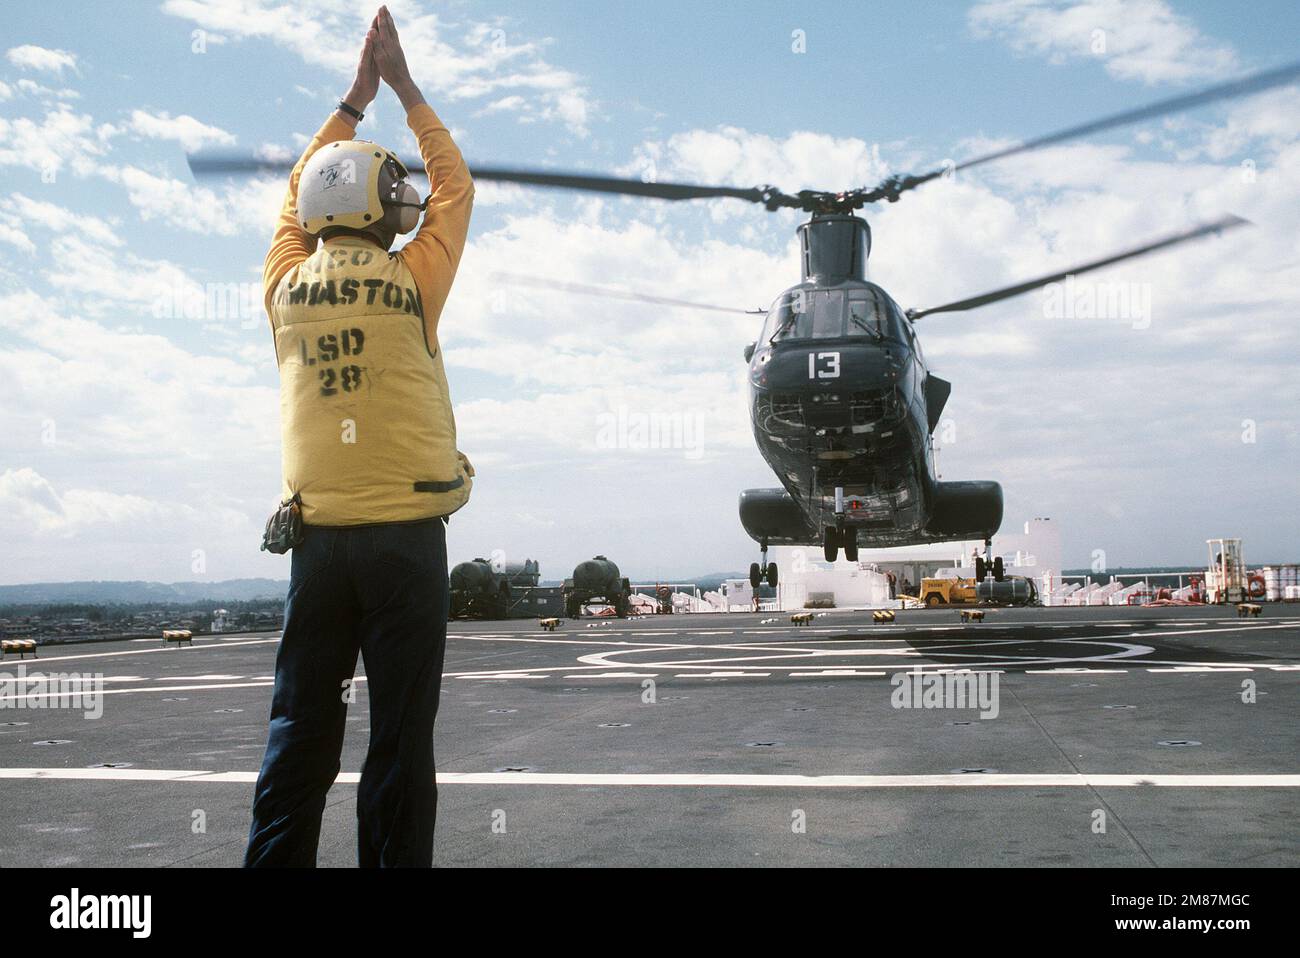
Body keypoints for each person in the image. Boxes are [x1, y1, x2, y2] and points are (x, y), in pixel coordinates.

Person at [245, 6, 474, 868]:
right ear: (382, 210)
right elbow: (453, 188)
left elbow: (294, 193)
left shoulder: (282, 284)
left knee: (300, 730)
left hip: (318, 545)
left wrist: (354, 99)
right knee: (400, 740)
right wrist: (405, 86)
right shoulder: (416, 279)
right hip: (405, 546)